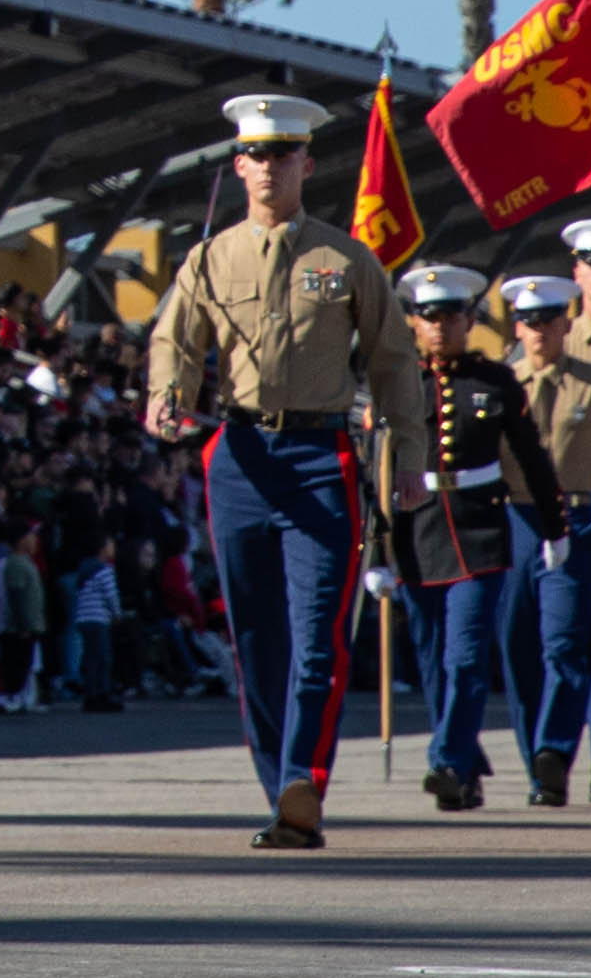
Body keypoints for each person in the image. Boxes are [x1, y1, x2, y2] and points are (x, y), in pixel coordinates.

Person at [141, 94, 427, 851]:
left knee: (318, 636)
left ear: (307, 162)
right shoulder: (209, 258)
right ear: (239, 166)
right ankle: (283, 794)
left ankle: (305, 778)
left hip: (320, 458)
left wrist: (410, 458)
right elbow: (176, 341)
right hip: (239, 457)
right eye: (255, 154)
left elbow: (395, 362)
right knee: (255, 639)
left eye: (282, 153)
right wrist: (168, 396)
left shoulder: (346, 259)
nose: (268, 165)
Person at [385, 264, 561, 810]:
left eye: (451, 316)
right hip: (416, 531)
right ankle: (464, 766)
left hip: (479, 530)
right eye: (429, 317)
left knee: (464, 658)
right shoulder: (398, 383)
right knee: (433, 662)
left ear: (468, 321)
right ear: (415, 323)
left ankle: (447, 760)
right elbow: (376, 470)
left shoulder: (495, 381)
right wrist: (374, 552)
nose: (440, 327)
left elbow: (531, 456)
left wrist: (554, 527)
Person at [505, 254, 591, 804]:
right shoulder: (501, 387)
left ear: (565, 323)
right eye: (529, 321)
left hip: (576, 518)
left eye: (549, 320)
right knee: (516, 645)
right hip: (515, 519)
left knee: (564, 643)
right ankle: (536, 760)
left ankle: (554, 751)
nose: (539, 330)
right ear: (517, 328)